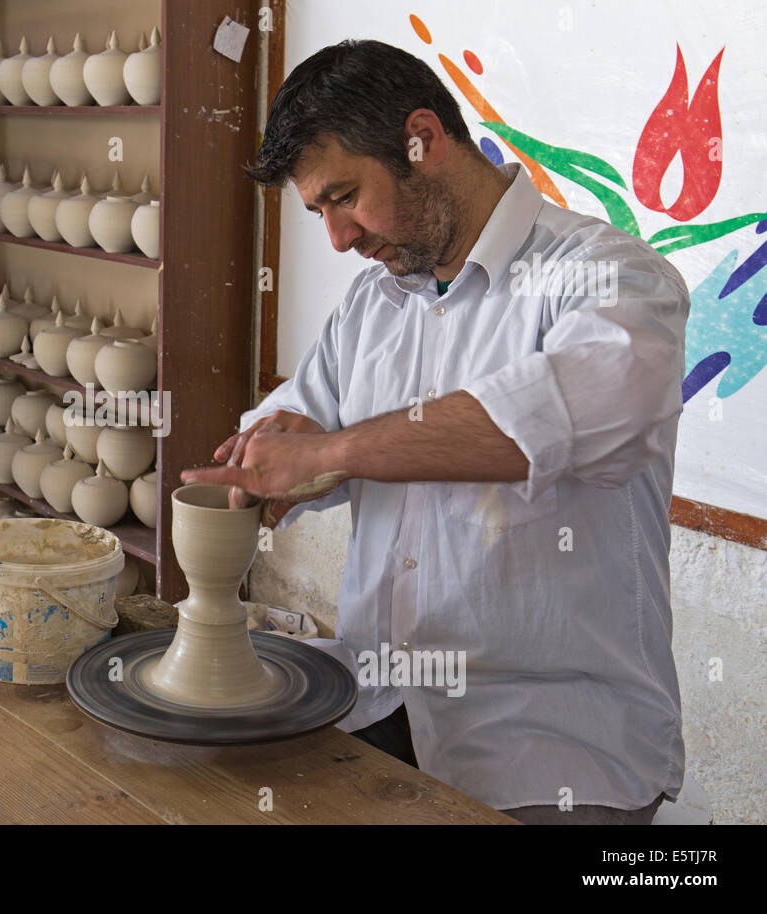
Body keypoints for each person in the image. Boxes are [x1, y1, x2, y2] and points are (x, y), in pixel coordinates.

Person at [183, 40, 686, 825]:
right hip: (376, 703)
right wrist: (270, 450)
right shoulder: (373, 306)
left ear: (423, 139)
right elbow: (293, 423)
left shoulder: (610, 278)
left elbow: (559, 418)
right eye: (318, 211)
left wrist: (334, 452)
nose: (339, 238)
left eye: (344, 196)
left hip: (553, 747)